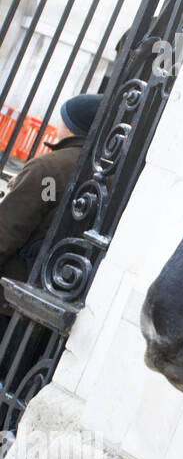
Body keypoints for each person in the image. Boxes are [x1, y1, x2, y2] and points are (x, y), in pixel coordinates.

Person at [0, 93, 102, 317]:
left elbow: (8, 229)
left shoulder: (50, 168)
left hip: (13, 291)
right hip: (61, 296)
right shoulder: (110, 174)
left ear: (71, 125)